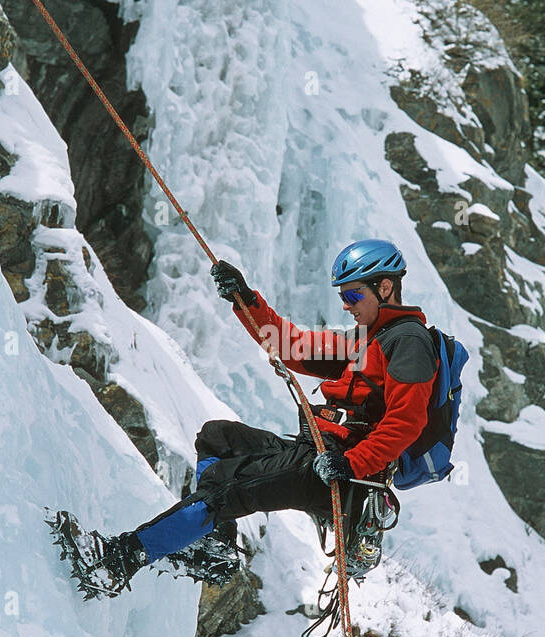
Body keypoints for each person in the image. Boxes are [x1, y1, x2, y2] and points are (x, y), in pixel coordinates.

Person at [50, 239, 438, 598]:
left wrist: (349, 463)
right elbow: (294, 347)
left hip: (337, 471)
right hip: (318, 452)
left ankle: (115, 563)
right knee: (218, 438)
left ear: (385, 288)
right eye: (342, 295)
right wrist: (246, 299)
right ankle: (214, 544)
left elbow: (406, 423)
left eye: (353, 294)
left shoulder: (408, 341)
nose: (346, 305)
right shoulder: (366, 339)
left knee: (224, 491)